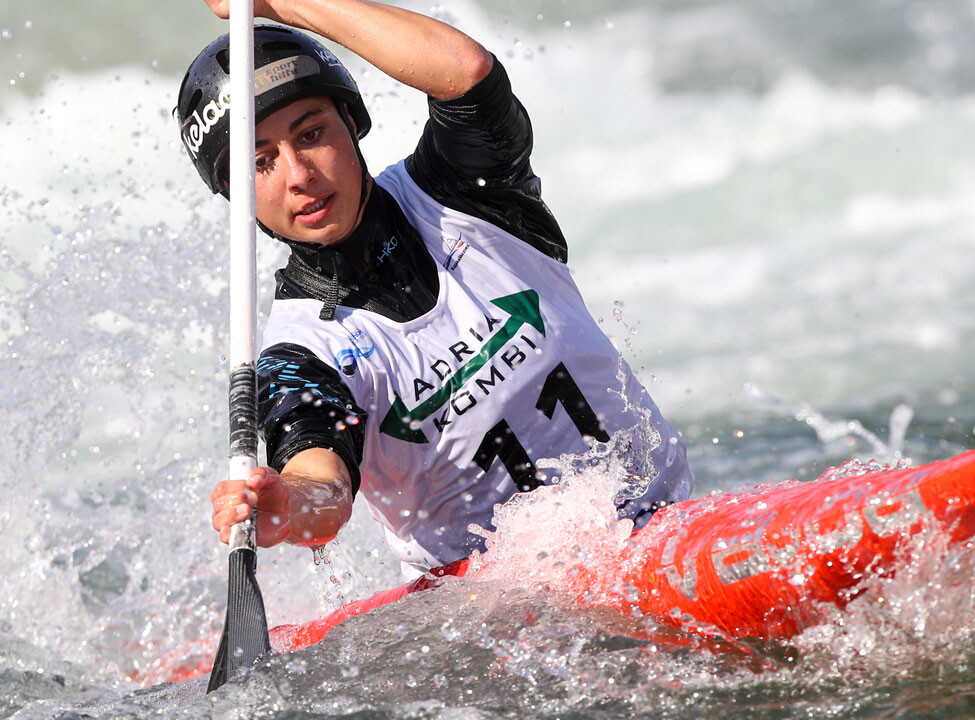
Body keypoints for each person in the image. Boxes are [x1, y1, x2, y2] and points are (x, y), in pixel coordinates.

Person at [181, 0, 693, 577]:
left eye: (313, 133)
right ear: (235, 194)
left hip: (665, 526)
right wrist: (287, 505)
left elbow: (467, 71)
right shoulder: (300, 354)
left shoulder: (465, 193)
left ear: (353, 124)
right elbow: (321, 484)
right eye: (262, 162)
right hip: (499, 612)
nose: (300, 175)